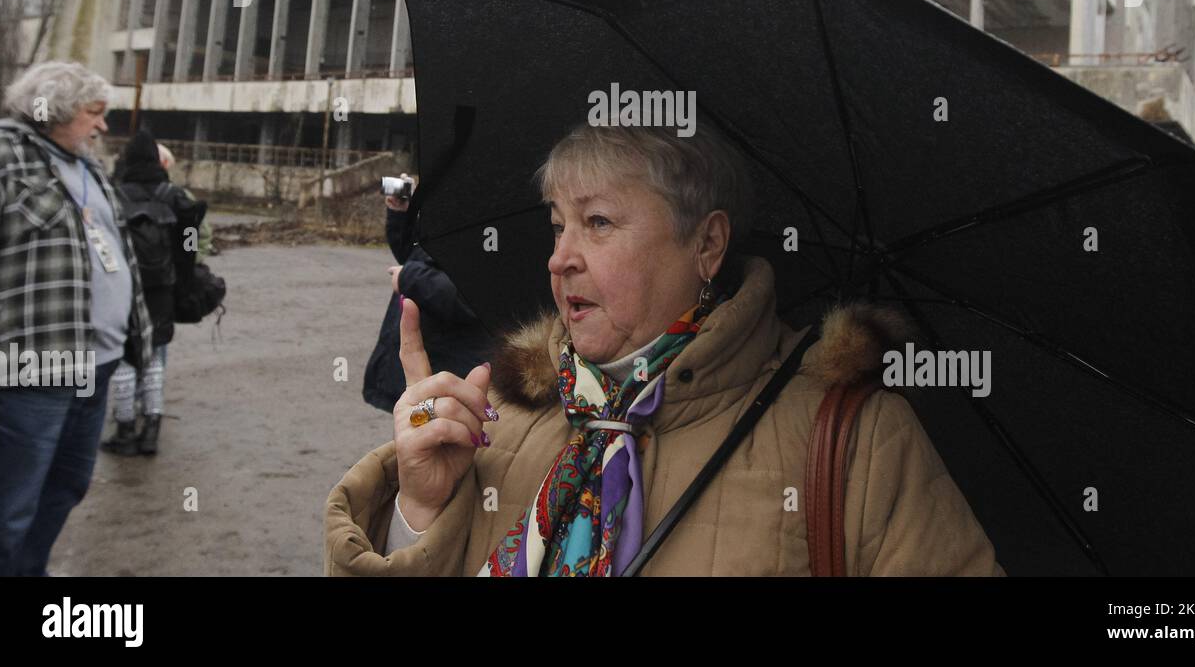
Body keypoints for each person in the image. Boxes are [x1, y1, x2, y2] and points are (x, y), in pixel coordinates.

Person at [325, 124, 1004, 576]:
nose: (560, 258)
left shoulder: (858, 442)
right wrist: (420, 512)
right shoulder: (505, 410)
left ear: (707, 244)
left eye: (597, 222)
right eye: (557, 225)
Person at [0, 61, 154, 576]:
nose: (103, 125)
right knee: (7, 507)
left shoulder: (86, 165)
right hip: (31, 371)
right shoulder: (1, 154)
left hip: (99, 365)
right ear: (56, 110)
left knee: (65, 487)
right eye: (94, 113)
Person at [101, 130, 204, 457]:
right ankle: (152, 430)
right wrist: (184, 276)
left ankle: (125, 428)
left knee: (123, 355)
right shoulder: (172, 194)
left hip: (122, 286)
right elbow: (190, 239)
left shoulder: (114, 194)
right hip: (162, 286)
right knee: (155, 354)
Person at [363, 178, 492, 412]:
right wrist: (402, 214)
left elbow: (468, 298)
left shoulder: (491, 228)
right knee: (411, 431)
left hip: (448, 369)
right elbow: (414, 254)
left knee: (433, 433)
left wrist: (409, 278)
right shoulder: (457, 217)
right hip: (423, 362)